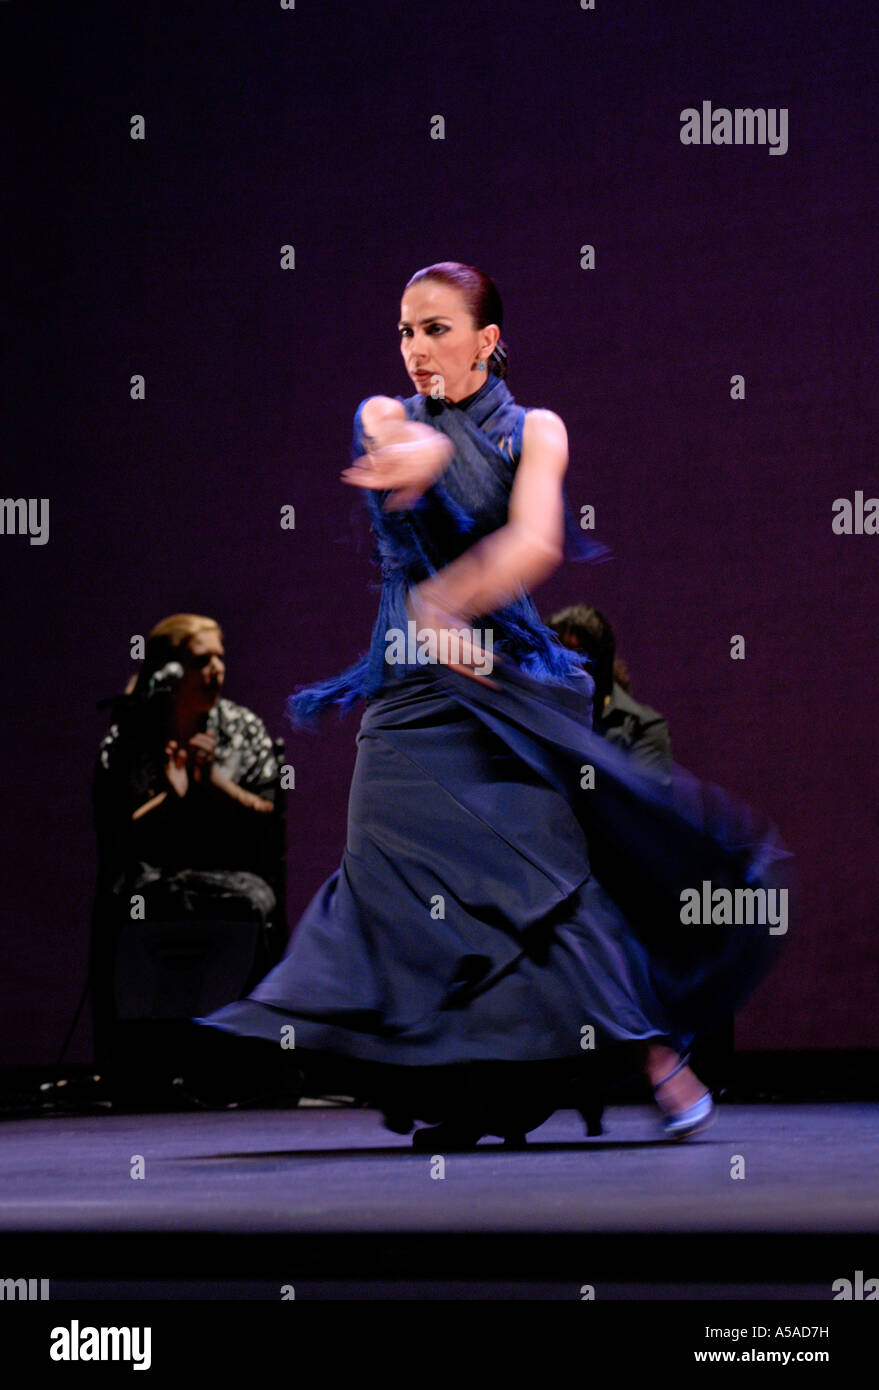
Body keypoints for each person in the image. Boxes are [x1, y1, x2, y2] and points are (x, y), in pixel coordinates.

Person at [192, 262, 792, 1148]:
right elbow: (405, 446)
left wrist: (448, 600)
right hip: (409, 698)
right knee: (393, 883)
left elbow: (534, 538)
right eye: (404, 330)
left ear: (487, 340)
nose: (416, 347)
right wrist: (418, 458)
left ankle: (651, 1054)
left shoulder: (534, 431)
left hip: (499, 682)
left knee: (536, 884)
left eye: (436, 328)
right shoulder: (384, 414)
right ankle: (470, 1094)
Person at [90, 614, 282, 1067]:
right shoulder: (129, 737)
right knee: (123, 901)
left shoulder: (242, 728)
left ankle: (250, 1062)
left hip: (229, 871)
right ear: (171, 671)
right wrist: (171, 800)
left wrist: (211, 781)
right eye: (202, 660)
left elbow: (268, 818)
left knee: (255, 901)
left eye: (221, 657)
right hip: (149, 875)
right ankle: (136, 1064)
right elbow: (115, 833)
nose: (217, 669)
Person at [548, 604, 672, 777]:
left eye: (577, 659)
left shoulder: (644, 730)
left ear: (601, 670)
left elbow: (640, 802)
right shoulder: (533, 719)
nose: (563, 673)